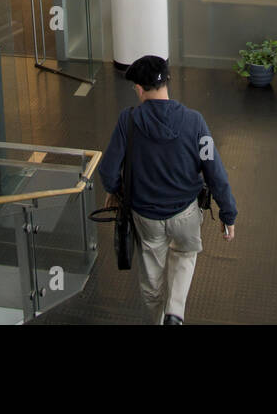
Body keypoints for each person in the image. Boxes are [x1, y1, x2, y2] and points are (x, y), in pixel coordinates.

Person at [98, 55, 237, 325]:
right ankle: (175, 313)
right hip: (186, 213)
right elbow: (215, 171)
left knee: (152, 276)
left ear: (139, 88)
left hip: (146, 217)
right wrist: (228, 214)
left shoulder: (128, 122)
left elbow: (107, 171)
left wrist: (117, 191)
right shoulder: (195, 122)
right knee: (184, 256)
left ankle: (159, 317)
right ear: (168, 82)